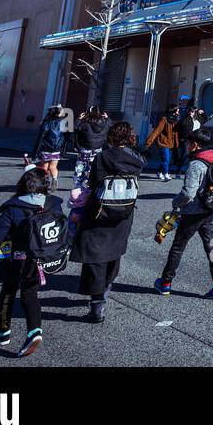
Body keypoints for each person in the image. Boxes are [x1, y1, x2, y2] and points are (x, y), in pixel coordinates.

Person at [0, 167, 61, 357]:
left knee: (8, 291)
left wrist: (4, 255)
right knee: (30, 293)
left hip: (18, 259)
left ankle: (3, 333)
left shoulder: (14, 207)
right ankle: (34, 331)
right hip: (42, 259)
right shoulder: (54, 204)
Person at [74, 121, 143, 323]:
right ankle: (105, 289)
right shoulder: (137, 159)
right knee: (115, 252)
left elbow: (94, 182)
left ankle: (97, 304)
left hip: (100, 211)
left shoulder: (103, 157)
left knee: (95, 255)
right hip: (124, 212)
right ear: (130, 137)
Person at [155, 130, 213, 299]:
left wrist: (175, 202)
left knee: (178, 247)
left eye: (188, 143)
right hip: (211, 210)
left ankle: (165, 283)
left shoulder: (196, 164)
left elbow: (188, 194)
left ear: (195, 144)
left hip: (193, 213)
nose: (186, 145)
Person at [144, 107, 181, 182]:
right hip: (163, 143)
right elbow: (156, 132)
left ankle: (159, 172)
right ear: (172, 111)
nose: (178, 113)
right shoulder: (164, 120)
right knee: (166, 160)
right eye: (177, 111)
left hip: (171, 144)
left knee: (166, 160)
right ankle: (166, 174)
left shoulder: (175, 120)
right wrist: (148, 143)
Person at [32, 106, 66, 184]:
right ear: (58, 114)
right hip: (56, 149)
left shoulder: (46, 123)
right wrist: (63, 149)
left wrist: (35, 153)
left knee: (44, 167)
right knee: (53, 167)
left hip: (46, 149)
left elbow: (40, 138)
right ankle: (54, 179)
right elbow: (65, 137)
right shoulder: (63, 123)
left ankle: (44, 182)